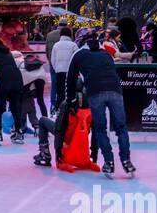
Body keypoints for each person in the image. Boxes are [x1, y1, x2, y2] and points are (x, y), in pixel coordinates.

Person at [65, 30, 135, 179]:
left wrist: (71, 100)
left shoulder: (78, 55)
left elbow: (70, 79)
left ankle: (109, 162)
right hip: (115, 90)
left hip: (95, 91)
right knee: (121, 127)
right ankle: (126, 160)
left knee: (100, 128)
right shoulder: (105, 53)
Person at [0, 35, 24, 144]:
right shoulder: (8, 53)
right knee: (15, 107)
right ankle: (18, 133)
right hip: (17, 79)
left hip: (5, 79)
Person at [49, 26, 78, 114]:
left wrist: (57, 68)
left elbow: (52, 60)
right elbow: (76, 59)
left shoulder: (56, 45)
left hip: (59, 71)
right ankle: (70, 110)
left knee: (60, 92)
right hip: (70, 72)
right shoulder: (73, 45)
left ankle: (59, 110)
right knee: (70, 92)